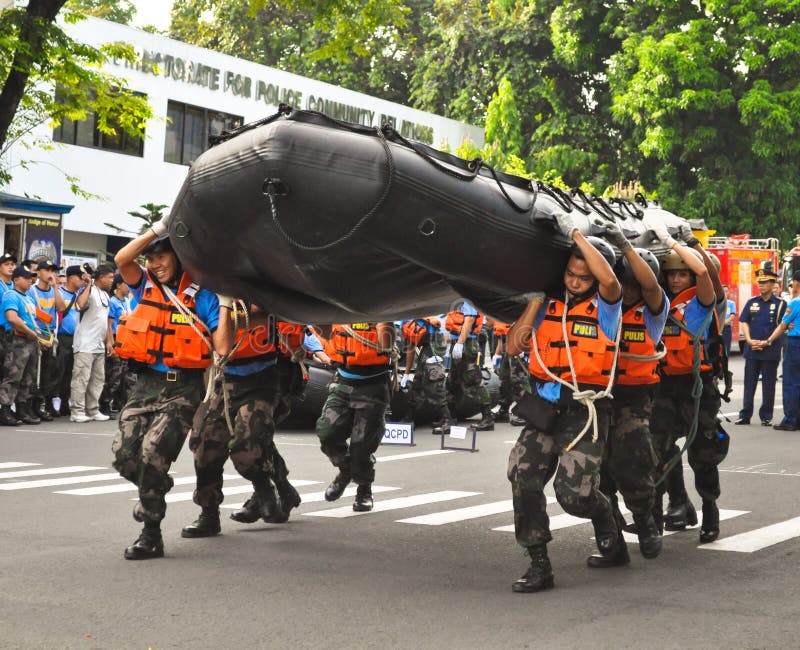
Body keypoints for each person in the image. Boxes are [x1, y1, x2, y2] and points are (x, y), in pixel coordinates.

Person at [506, 217, 623, 594]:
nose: (575, 282)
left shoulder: (607, 309)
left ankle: (606, 520)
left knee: (575, 497)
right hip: (544, 407)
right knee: (522, 475)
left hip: (585, 412)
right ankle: (539, 563)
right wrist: (535, 303)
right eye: (570, 274)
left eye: (583, 277)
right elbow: (513, 345)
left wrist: (574, 232)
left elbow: (610, 282)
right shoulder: (548, 305)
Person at [111, 217, 228, 561]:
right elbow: (121, 260)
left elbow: (220, 347)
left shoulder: (202, 295)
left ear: (178, 257)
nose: (155, 265)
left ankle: (150, 534)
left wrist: (224, 303)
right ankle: (156, 488)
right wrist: (159, 229)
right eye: (151, 259)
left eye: (162, 257)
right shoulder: (144, 285)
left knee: (152, 454)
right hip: (145, 385)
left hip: (183, 389)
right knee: (123, 457)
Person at [182, 305, 304, 538]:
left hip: (263, 380)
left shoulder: (271, 294)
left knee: (249, 444)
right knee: (205, 445)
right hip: (222, 380)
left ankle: (263, 489)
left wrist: (255, 313)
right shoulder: (211, 295)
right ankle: (209, 514)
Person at [648, 221, 728, 544]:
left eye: (682, 274)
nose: (677, 279)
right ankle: (671, 506)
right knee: (660, 449)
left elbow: (707, 275)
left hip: (698, 385)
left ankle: (710, 507)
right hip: (666, 384)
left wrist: (681, 242)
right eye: (672, 274)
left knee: (703, 451)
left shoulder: (702, 302)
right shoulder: (661, 304)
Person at [598, 231, 668, 558]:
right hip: (599, 395)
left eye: (633, 286)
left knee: (633, 459)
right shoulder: (605, 306)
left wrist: (625, 247)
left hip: (635, 397)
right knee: (596, 471)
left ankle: (645, 523)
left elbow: (652, 288)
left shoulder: (653, 314)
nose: (627, 291)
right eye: (622, 284)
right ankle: (613, 540)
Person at [316, 322, 394, 512]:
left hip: (373, 386)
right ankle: (346, 472)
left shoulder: (382, 308)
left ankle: (364, 489)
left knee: (362, 445)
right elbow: (323, 331)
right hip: (344, 380)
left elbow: (386, 344)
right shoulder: (338, 309)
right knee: (327, 433)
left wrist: (381, 319)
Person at [735, 268, 786, 426]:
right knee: (749, 383)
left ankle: (766, 416)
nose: (761, 286)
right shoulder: (752, 302)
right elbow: (744, 321)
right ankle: (745, 415)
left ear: (773, 284)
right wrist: (749, 340)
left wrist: (768, 341)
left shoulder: (781, 304)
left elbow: (783, 326)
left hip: (770, 350)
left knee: (769, 384)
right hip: (752, 349)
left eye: (765, 283)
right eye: (759, 283)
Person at [0, 266, 48, 426]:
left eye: (31, 278)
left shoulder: (29, 298)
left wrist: (43, 338)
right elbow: (13, 318)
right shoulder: (11, 296)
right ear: (16, 279)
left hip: (31, 340)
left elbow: (34, 322)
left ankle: (22, 408)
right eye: (26, 277)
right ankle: (5, 409)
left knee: (29, 377)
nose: (30, 280)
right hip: (17, 340)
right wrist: (31, 333)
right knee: (13, 376)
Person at [69, 264, 115, 423]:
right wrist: (88, 284)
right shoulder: (88, 290)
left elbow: (105, 321)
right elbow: (80, 305)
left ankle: (93, 409)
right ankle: (77, 411)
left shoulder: (106, 295)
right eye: (110, 277)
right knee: (81, 379)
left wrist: (109, 341)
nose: (112, 281)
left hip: (99, 345)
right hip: (85, 344)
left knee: (97, 380)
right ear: (101, 277)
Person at [445, 302, 494, 430]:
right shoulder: (458, 301)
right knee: (452, 381)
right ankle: (450, 418)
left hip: (467, 344)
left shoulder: (468, 300)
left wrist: (460, 343)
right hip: (459, 342)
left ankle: (488, 418)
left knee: (473, 381)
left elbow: (470, 319)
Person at [27, 258, 66, 421]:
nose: (52, 274)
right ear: (39, 272)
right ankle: (29, 406)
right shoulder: (31, 290)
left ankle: (40, 405)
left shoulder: (53, 290)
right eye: (48, 270)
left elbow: (61, 308)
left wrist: (56, 286)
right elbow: (32, 312)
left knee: (46, 373)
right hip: (35, 333)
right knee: (33, 373)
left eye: (54, 271)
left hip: (49, 335)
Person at [762, 271, 800, 430]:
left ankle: (791, 419)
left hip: (796, 344)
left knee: (791, 382)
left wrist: (768, 340)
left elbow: (783, 325)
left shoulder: (795, 302)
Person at [400, 317, 451, 433]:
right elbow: (411, 349)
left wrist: (407, 373)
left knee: (434, 383)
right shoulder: (407, 326)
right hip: (427, 347)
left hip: (434, 345)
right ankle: (409, 418)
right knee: (418, 381)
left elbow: (411, 349)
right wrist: (407, 374)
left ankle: (448, 420)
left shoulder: (408, 324)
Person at [100, 274, 136, 417]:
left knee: (125, 375)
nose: (128, 287)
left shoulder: (127, 300)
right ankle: (105, 403)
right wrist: (110, 342)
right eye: (126, 284)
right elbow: (109, 325)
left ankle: (120, 403)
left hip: (126, 339)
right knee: (113, 375)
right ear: (118, 285)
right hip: (115, 337)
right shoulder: (113, 302)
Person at [54, 266, 86, 417]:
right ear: (71, 277)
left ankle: (65, 402)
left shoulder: (80, 294)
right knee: (57, 371)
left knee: (70, 373)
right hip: (62, 337)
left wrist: (88, 284)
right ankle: (49, 402)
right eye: (80, 277)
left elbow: (83, 305)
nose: (82, 280)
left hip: (76, 339)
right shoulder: (59, 293)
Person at [491, 320, 530, 426]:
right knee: (505, 380)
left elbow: (527, 325)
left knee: (519, 381)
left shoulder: (519, 306)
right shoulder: (503, 310)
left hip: (519, 345)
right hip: (508, 347)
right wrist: (497, 354)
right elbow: (502, 334)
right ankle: (503, 410)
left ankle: (526, 414)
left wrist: (522, 346)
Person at [722, 285, 736, 355]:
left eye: (726, 291)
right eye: (723, 291)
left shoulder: (731, 303)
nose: (725, 293)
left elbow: (732, 315)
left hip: (727, 329)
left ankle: (725, 364)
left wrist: (723, 323)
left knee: (726, 348)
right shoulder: (716, 303)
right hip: (718, 329)